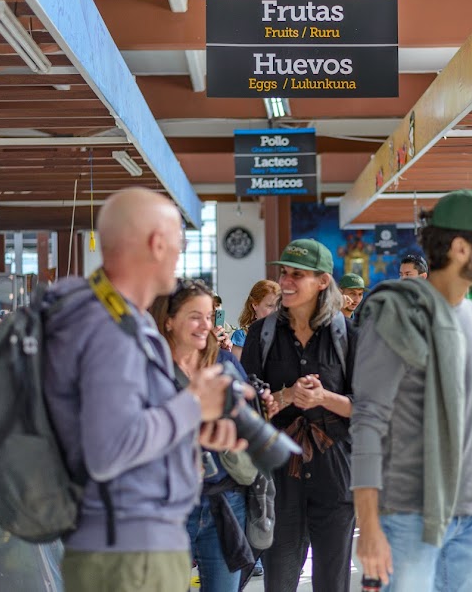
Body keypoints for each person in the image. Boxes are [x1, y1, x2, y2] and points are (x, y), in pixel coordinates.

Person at [42, 188, 243, 592]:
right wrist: (191, 406)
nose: (180, 255)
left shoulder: (120, 319)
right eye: (179, 244)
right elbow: (109, 450)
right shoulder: (106, 328)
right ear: (157, 244)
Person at [351, 190, 472, 592]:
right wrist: (367, 524)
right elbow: (367, 421)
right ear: (460, 247)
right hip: (406, 517)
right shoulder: (397, 315)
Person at [240, 238, 357, 592]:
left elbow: (369, 407)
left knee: (332, 582)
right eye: (284, 273)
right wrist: (286, 395)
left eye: (298, 275)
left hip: (335, 471)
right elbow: (245, 408)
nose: (286, 281)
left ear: (323, 282)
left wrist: (323, 397)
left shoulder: (348, 336)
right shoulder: (262, 333)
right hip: (279, 475)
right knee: (280, 580)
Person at [151, 278, 263, 592]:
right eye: (194, 316)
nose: (205, 325)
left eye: (209, 315)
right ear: (169, 320)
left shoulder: (224, 361)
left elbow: (248, 423)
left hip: (224, 500)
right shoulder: (148, 368)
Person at [231, 280, 281, 361]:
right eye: (270, 306)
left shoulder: (285, 334)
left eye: (278, 306)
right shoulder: (242, 336)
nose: (275, 311)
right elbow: (237, 371)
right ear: (255, 305)